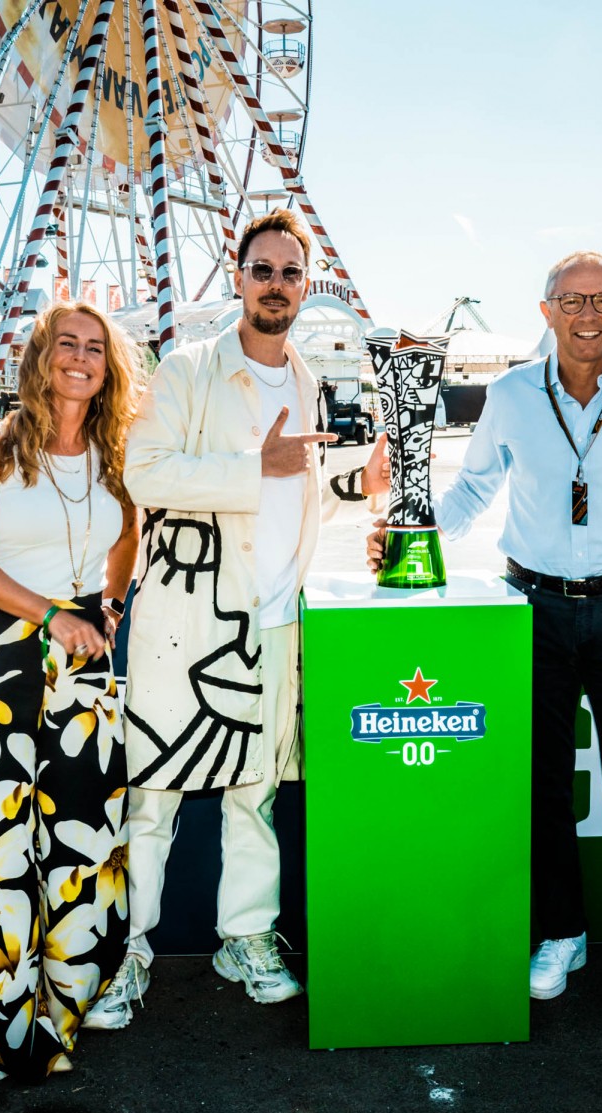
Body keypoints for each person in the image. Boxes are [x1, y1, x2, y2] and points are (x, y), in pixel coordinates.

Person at [372, 250, 602, 1047]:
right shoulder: (512, 393)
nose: (585, 313)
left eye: (601, 299)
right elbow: (474, 487)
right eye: (570, 300)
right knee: (541, 788)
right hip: (533, 608)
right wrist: (406, 532)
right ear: (545, 309)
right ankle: (561, 931)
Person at [87, 208, 387, 1027]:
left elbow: (305, 485)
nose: (277, 285)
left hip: (274, 618)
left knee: (253, 794)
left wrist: (364, 485)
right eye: (264, 270)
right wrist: (255, 467)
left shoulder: (309, 379)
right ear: (238, 276)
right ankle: (128, 951)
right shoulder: (187, 368)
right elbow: (144, 474)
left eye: (292, 273)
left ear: (304, 285)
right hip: (186, 617)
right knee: (152, 792)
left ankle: (245, 936)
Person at [0, 300, 139, 1080]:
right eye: (67, 345)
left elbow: (128, 535)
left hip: (83, 664)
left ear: (108, 366)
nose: (80, 358)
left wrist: (109, 601)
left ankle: (65, 1012)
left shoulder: (117, 454)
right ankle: (12, 1031)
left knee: (82, 852)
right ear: (39, 355)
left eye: (95, 348)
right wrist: (52, 613)